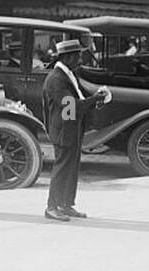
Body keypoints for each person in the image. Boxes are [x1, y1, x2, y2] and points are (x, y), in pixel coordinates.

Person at [41, 38, 110, 221]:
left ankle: (65, 205)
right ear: (68, 57)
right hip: (64, 130)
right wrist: (95, 99)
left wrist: (96, 99)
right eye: (78, 55)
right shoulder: (56, 79)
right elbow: (71, 107)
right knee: (62, 168)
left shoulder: (68, 74)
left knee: (71, 169)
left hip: (71, 128)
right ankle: (51, 207)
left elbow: (79, 99)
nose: (80, 59)